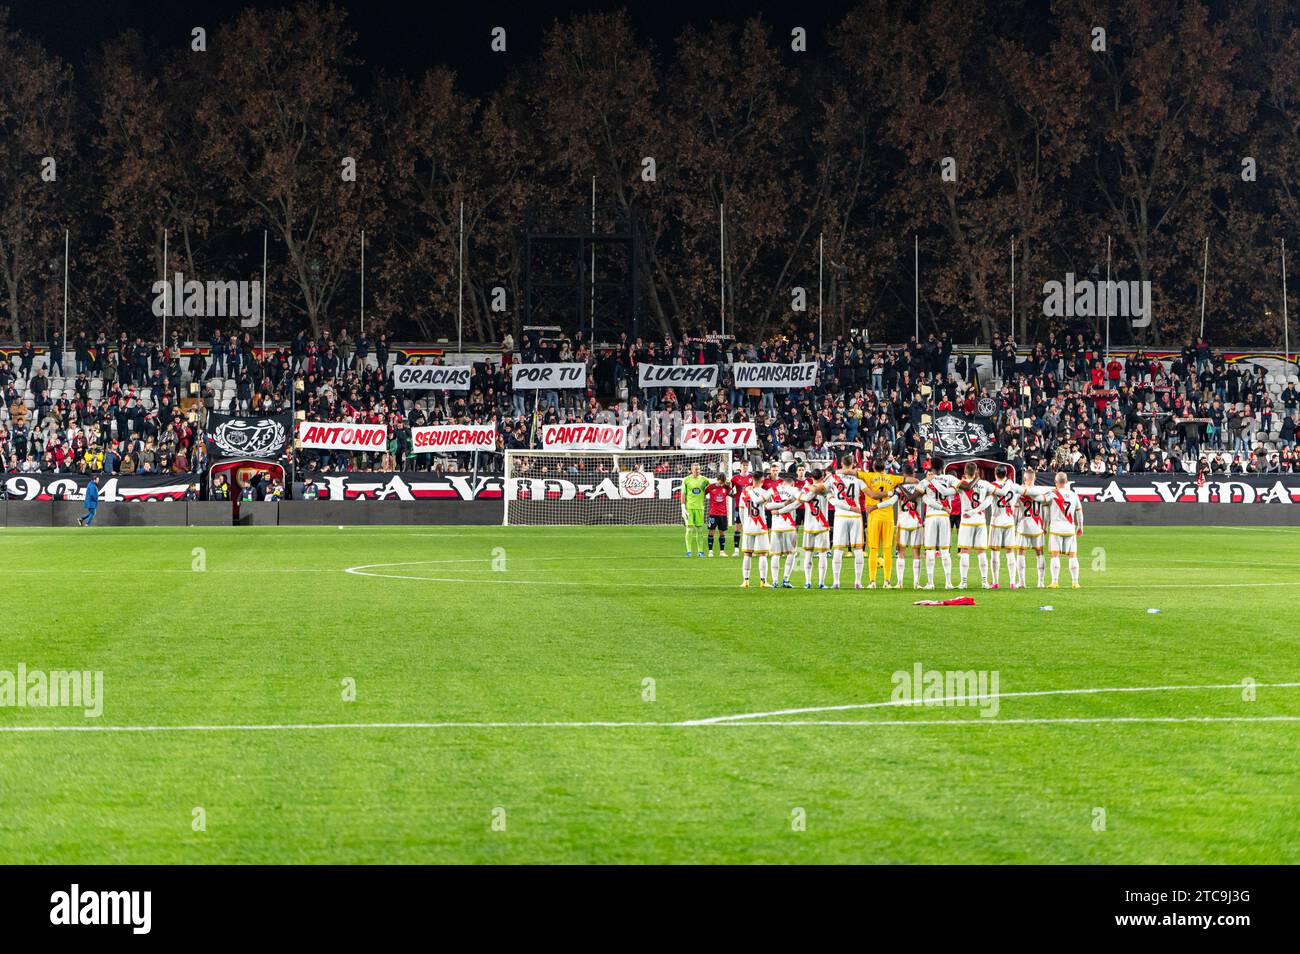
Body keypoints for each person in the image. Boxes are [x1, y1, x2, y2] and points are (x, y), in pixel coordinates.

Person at [1026, 471, 1084, 589]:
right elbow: (1079, 512)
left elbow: (1046, 513)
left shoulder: (1052, 494)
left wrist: (1045, 526)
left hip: (1056, 528)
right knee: (1073, 556)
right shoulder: (1074, 495)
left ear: (1056, 482)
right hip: (1069, 528)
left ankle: (1055, 582)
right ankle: (1075, 582)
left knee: (1055, 555)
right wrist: (1080, 527)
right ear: (1067, 482)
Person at [858, 457, 906, 588]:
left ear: (873, 467)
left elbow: (852, 473)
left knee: (873, 549)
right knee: (887, 550)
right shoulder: (892, 478)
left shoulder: (868, 476)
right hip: (888, 517)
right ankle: (887, 581)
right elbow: (909, 479)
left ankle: (872, 581)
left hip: (874, 516)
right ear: (884, 467)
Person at [915, 460, 958, 589]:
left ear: (930, 467)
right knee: (945, 551)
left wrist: (928, 485)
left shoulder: (925, 480)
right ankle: (949, 583)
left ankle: (930, 583)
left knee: (930, 551)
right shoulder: (949, 478)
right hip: (945, 517)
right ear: (943, 467)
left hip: (931, 516)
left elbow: (917, 495)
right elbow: (957, 490)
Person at [954, 461, 994, 589]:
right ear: (976, 471)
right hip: (980, 520)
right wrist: (976, 511)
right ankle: (984, 582)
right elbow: (991, 498)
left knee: (965, 551)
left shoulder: (960, 484)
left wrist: (971, 511)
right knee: (981, 552)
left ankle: (963, 582)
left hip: (966, 521)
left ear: (965, 472)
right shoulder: (984, 484)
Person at [986, 464, 1024, 589]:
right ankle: (1012, 582)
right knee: (1010, 552)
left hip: (996, 521)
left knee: (995, 553)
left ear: (996, 474)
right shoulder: (1013, 486)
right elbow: (1023, 493)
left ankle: (996, 582)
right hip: (1009, 520)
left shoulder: (991, 486)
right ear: (1006, 474)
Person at [765, 470, 802, 588]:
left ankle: (775, 581)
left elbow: (767, 506)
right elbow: (798, 503)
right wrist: (785, 505)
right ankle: (785, 579)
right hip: (789, 526)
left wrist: (779, 508)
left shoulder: (772, 490)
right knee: (791, 553)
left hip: (776, 527)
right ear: (792, 483)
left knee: (775, 554)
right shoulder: (794, 490)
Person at [796, 468, 832, 589]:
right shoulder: (825, 488)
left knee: (808, 554)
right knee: (822, 555)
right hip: (822, 525)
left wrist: (808, 486)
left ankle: (808, 582)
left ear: (811, 477)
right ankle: (821, 582)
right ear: (822, 477)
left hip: (809, 525)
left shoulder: (806, 488)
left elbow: (804, 498)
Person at [1015, 467, 1048, 588]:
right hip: (1037, 526)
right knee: (1039, 553)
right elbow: (1045, 511)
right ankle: (1041, 582)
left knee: (1021, 552)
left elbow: (1015, 511)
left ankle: (1022, 582)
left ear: (1024, 478)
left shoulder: (1020, 492)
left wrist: (1014, 526)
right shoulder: (1040, 491)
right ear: (1035, 478)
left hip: (1023, 525)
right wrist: (1045, 525)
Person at [894, 463, 924, 589]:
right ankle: (916, 583)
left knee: (901, 553)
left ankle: (899, 583)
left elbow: (891, 500)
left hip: (903, 522)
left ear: (903, 474)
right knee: (916, 553)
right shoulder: (920, 485)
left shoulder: (898, 487)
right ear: (914, 473)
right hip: (916, 522)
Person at [680, 462, 709, 557]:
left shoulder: (704, 480)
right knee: (689, 530)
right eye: (696, 469)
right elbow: (683, 495)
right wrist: (683, 508)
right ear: (691, 470)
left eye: (699, 469)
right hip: (689, 508)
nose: (697, 471)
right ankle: (689, 551)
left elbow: (713, 487)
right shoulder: (686, 480)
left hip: (700, 508)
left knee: (700, 530)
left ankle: (700, 551)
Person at [728, 457, 755, 556]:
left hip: (750, 506)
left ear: (748, 466)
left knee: (750, 527)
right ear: (740, 466)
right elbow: (729, 491)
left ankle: (749, 548)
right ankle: (736, 550)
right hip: (739, 506)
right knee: (737, 527)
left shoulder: (752, 478)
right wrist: (734, 496)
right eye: (743, 465)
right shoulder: (735, 478)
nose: (745, 467)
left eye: (747, 465)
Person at [704, 473, 731, 557]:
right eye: (720, 482)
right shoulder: (711, 487)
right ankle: (710, 551)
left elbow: (733, 494)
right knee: (711, 531)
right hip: (713, 513)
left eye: (722, 482)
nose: (721, 484)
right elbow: (702, 494)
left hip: (723, 514)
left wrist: (729, 485)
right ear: (717, 479)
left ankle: (722, 551)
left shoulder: (725, 488)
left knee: (722, 532)